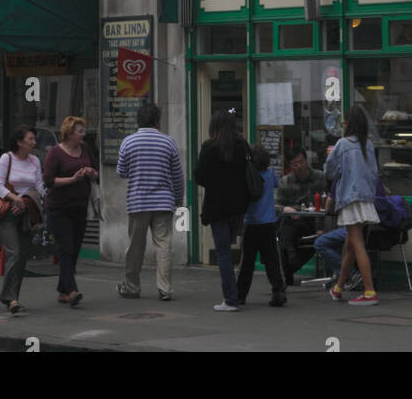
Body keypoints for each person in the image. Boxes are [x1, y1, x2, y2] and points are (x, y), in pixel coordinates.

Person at [116, 102, 184, 301]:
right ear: (157, 120)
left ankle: (131, 287)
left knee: (135, 246)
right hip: (164, 202)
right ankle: (165, 288)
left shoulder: (128, 142)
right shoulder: (168, 142)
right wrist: (178, 199)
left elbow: (121, 171)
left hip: (137, 202)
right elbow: (177, 176)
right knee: (163, 245)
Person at [194, 108, 250, 312]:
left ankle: (231, 298)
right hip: (239, 206)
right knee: (242, 250)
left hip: (217, 207)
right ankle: (238, 293)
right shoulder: (241, 145)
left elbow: (199, 176)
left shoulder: (209, 148)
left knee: (223, 253)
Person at [325, 107, 380, 305]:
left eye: (344, 121)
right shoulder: (369, 145)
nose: (343, 125)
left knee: (356, 244)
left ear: (348, 123)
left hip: (349, 198)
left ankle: (369, 291)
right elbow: (374, 174)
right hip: (365, 197)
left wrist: (330, 157)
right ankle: (338, 288)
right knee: (350, 244)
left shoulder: (342, 144)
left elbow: (331, 171)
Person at [43, 116, 98, 308]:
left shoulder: (85, 150)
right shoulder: (55, 153)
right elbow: (49, 181)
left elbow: (96, 171)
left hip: (80, 207)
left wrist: (90, 172)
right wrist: (73, 179)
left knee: (74, 249)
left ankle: (62, 291)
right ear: (69, 133)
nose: (83, 134)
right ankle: (72, 290)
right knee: (65, 249)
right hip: (59, 208)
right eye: (80, 131)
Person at [0, 126, 45, 313]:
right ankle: (9, 297)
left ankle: (13, 297)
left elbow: (39, 187)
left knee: (22, 255)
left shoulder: (35, 161)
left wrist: (26, 201)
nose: (34, 143)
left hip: (27, 212)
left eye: (34, 139)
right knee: (14, 252)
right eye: (30, 139)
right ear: (19, 142)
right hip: (8, 212)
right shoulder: (6, 159)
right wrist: (15, 199)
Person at [236, 144, 286, 307]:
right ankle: (278, 291)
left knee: (247, 262)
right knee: (272, 260)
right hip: (269, 223)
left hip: (251, 223)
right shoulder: (270, 175)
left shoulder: (249, 176)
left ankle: (240, 294)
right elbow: (276, 186)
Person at [275, 147, 328, 285]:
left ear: (306, 161)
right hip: (290, 221)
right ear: (290, 166)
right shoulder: (285, 181)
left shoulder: (319, 177)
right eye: (295, 164)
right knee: (285, 223)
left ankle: (289, 266)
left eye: (301, 162)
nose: (299, 166)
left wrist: (320, 228)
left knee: (285, 237)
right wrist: (287, 209)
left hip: (309, 222)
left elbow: (323, 204)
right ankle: (291, 256)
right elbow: (275, 205)